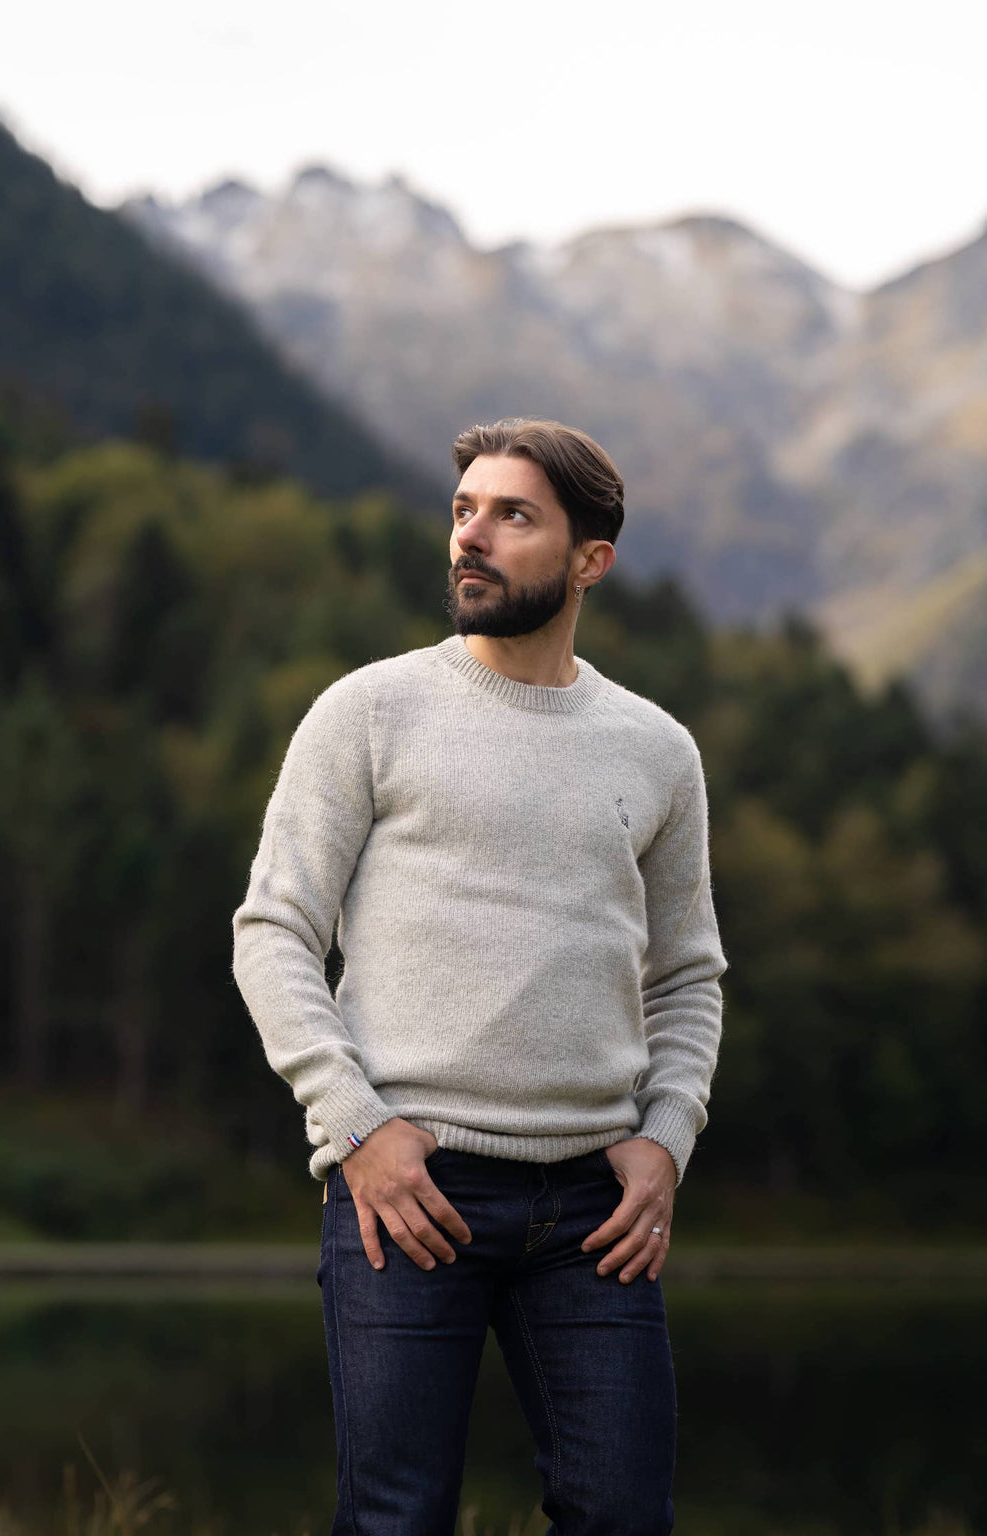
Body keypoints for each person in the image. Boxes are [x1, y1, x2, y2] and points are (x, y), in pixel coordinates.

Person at [232, 417, 728, 1536]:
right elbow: (272, 931)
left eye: (512, 515)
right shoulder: (367, 713)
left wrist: (666, 1138)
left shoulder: (655, 749)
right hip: (404, 1192)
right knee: (396, 1518)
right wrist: (357, 1129)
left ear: (589, 559)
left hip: (599, 1210)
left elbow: (688, 975)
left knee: (620, 1516)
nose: (472, 537)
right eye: (463, 509)